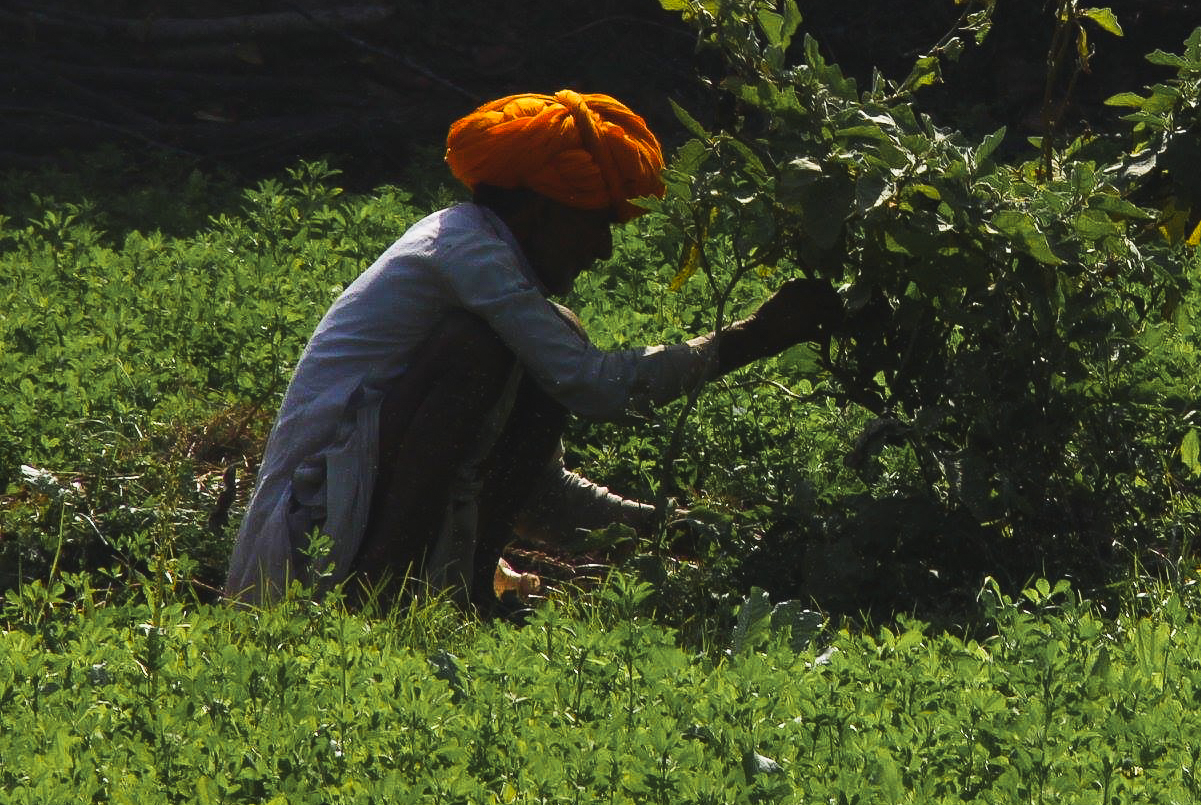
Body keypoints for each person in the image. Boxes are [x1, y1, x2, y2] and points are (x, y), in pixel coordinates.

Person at [224, 90, 843, 611]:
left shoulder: (503, 290)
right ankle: (380, 606)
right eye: (594, 223)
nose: (601, 250)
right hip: (303, 557)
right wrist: (750, 338)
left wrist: (667, 528)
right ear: (542, 210)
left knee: (548, 337)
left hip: (343, 528)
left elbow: (539, 492)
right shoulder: (464, 249)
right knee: (477, 351)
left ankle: (457, 599)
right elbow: (594, 387)